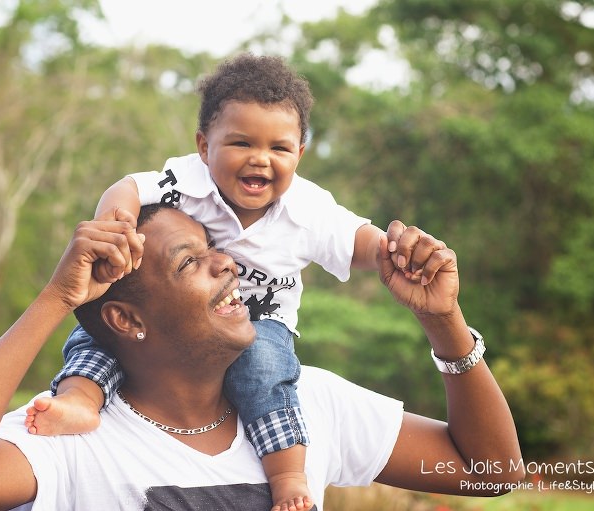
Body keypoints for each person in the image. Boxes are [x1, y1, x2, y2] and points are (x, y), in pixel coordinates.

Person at [0, 204, 524, 511]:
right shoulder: (66, 432)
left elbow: (493, 472)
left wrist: (443, 321)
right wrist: (58, 297)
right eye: (189, 262)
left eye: (212, 248)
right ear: (126, 319)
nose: (228, 263)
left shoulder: (307, 402)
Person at [27, 53, 391, 511]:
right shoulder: (186, 181)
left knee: (265, 371)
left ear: (299, 153)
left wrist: (391, 252)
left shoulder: (309, 210)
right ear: (204, 146)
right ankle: (80, 398)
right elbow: (129, 187)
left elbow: (355, 239)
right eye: (241, 143)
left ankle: (288, 474)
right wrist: (114, 225)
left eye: (279, 149)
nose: (261, 159)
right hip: (179, 315)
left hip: (261, 320)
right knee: (99, 334)